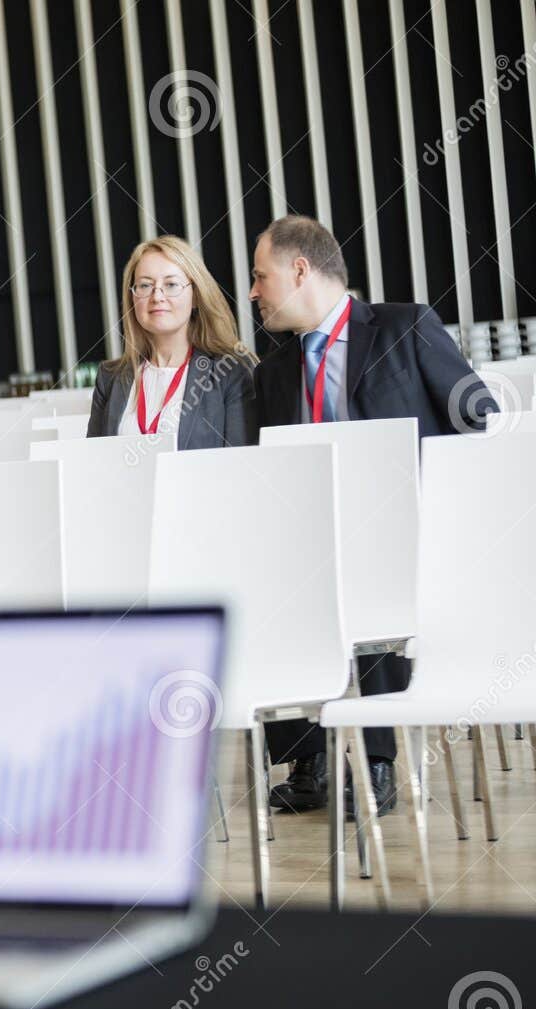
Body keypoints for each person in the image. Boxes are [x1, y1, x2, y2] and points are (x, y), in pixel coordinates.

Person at [248, 214, 495, 818]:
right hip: (313, 533)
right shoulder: (273, 370)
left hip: (407, 529)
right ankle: (308, 759)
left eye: (260, 277)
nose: (253, 293)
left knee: (366, 558)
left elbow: (481, 423)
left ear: (300, 269)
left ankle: (377, 763)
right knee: (269, 574)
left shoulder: (404, 326)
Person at [88, 236, 258, 446]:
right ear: (132, 297)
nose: (157, 296)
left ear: (195, 296)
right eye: (145, 285)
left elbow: (240, 465)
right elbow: (94, 464)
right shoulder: (109, 378)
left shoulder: (231, 372)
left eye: (171, 284)